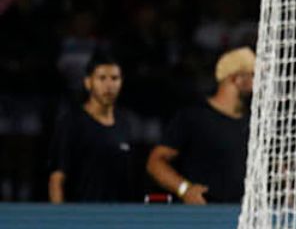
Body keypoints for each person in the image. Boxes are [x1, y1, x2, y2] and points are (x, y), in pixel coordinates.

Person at [147, 46, 253, 204]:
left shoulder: (254, 122)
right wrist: (184, 189)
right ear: (236, 79)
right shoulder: (193, 116)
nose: (261, 84)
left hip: (243, 219)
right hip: (202, 219)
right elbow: (155, 162)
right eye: (254, 75)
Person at [48, 50, 138, 203]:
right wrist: (60, 221)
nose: (109, 85)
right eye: (102, 78)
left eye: (114, 78)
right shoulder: (71, 123)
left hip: (116, 218)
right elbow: (56, 179)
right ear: (88, 82)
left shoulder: (125, 124)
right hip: (80, 216)